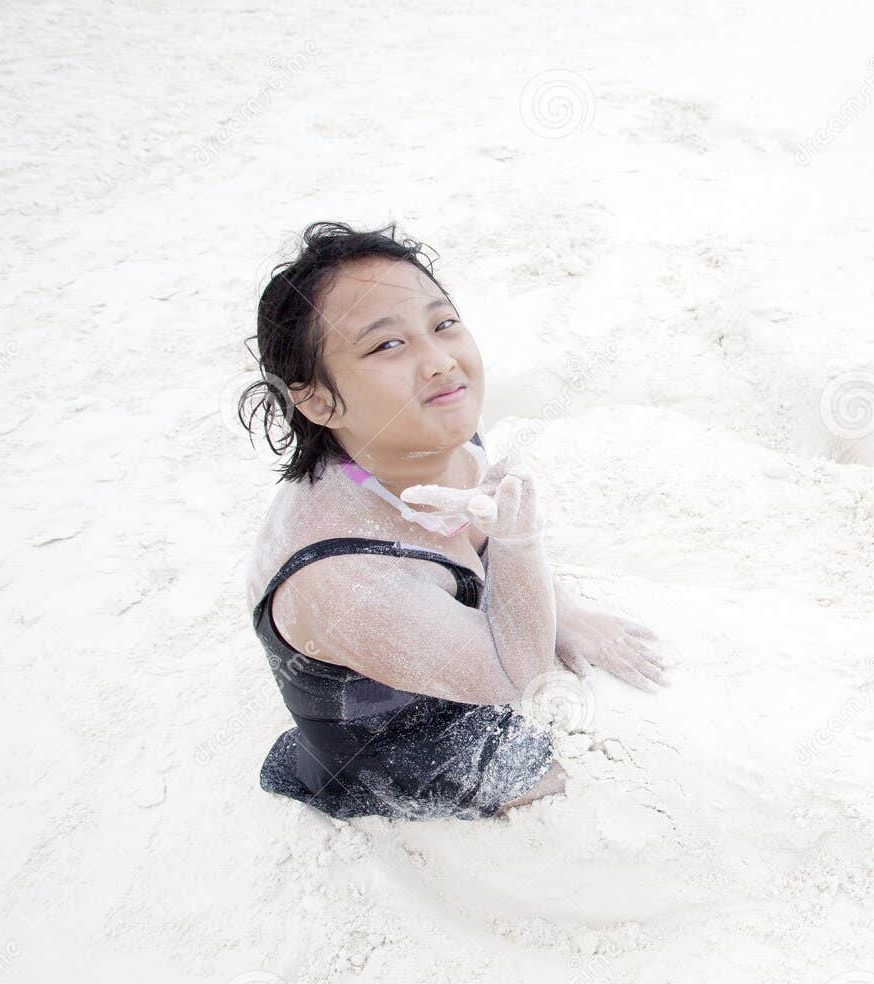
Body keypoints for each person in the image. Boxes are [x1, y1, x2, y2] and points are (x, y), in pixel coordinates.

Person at [238, 221, 669, 821]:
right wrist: (520, 541)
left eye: (442, 324)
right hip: (393, 741)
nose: (440, 362)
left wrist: (566, 614)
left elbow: (484, 548)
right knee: (561, 783)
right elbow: (511, 676)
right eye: (386, 345)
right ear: (317, 399)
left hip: (433, 644)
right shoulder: (342, 581)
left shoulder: (422, 429)